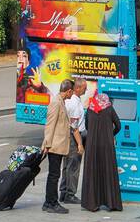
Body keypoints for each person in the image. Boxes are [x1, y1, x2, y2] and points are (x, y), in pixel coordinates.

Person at [81, 92, 122, 212]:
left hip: (92, 146)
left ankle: (93, 204)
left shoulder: (90, 109)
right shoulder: (109, 108)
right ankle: (111, 203)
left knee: (93, 173)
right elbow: (118, 125)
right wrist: (111, 134)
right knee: (108, 172)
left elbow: (87, 126)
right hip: (106, 145)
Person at [41, 80, 74, 214]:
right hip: (54, 146)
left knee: (55, 174)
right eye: (72, 92)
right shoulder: (56, 102)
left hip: (58, 145)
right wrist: (47, 143)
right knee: (54, 175)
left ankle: (50, 202)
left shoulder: (61, 101)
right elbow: (50, 124)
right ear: (69, 91)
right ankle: (51, 203)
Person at [59, 78, 87, 203]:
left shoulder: (74, 101)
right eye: (84, 88)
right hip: (74, 137)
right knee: (73, 166)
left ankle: (63, 192)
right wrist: (80, 144)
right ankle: (70, 194)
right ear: (77, 88)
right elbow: (74, 126)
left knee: (66, 166)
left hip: (69, 136)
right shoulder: (74, 103)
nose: (86, 90)